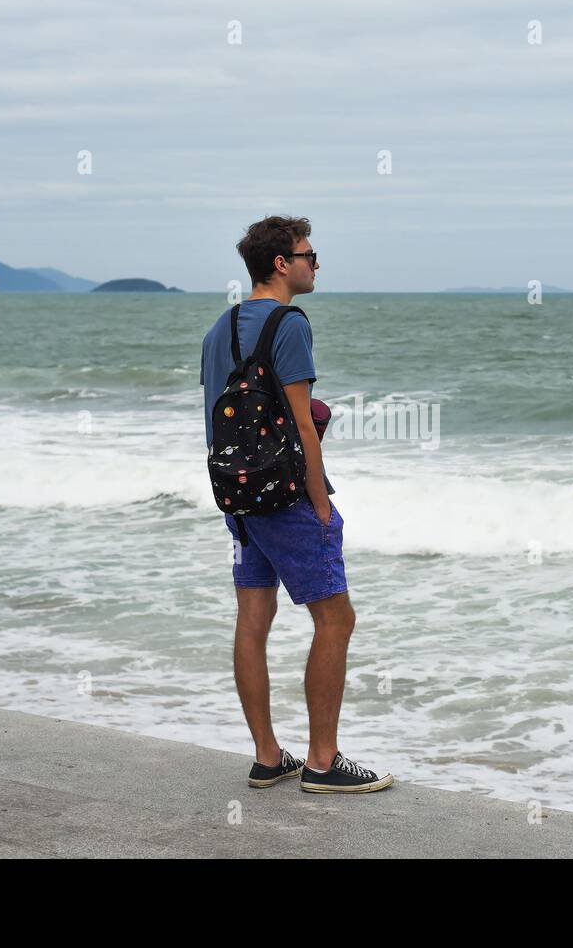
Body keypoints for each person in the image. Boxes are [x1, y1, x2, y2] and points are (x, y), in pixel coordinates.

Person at [199, 215, 392, 794]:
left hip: (237, 494)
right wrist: (320, 501)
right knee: (336, 618)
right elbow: (304, 423)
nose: (316, 263)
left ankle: (266, 758)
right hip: (285, 497)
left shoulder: (220, 327)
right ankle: (323, 762)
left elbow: (216, 415)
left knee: (253, 621)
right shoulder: (289, 323)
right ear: (281, 264)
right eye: (309, 254)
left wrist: (238, 492)